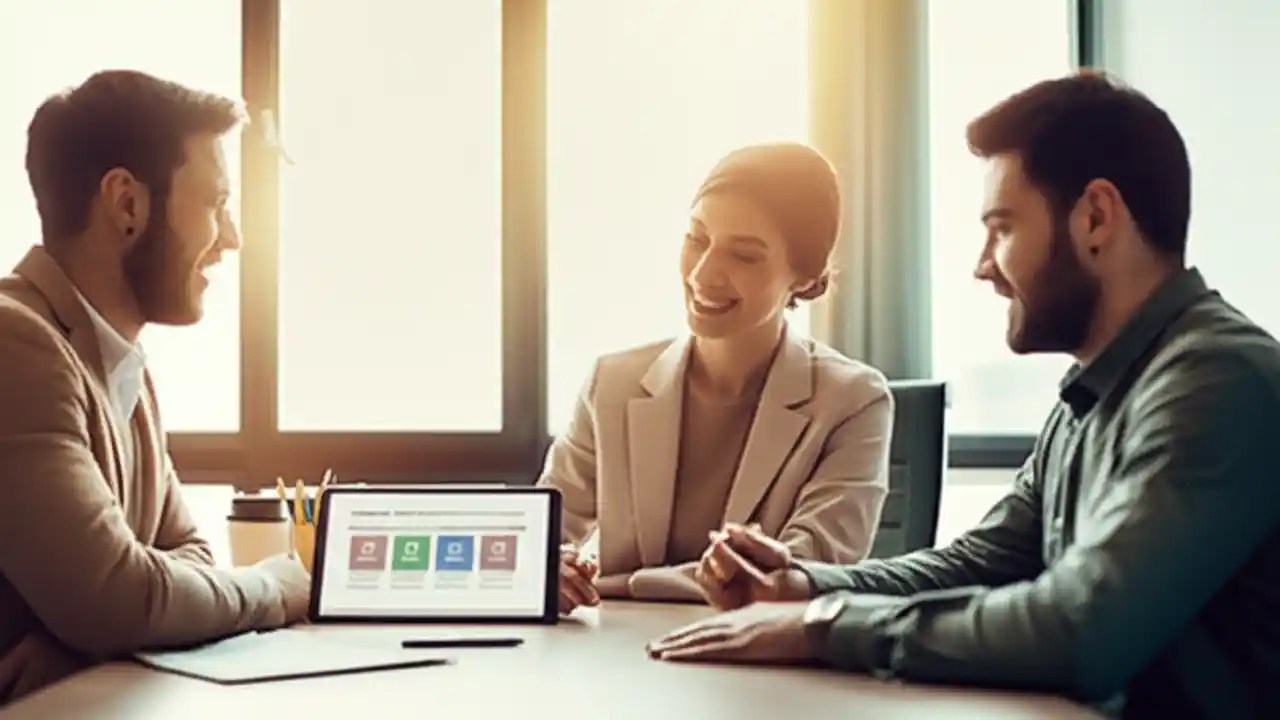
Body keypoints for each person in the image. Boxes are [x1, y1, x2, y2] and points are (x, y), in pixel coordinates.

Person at [647, 71, 1280, 719]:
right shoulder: (1093, 395)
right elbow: (981, 562)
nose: (983, 265)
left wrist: (826, 627)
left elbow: (1080, 629)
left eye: (1002, 228)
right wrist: (804, 585)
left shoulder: (1219, 381)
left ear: (1095, 217)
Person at [0, 70, 310, 704]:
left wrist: (88, 637)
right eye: (216, 202)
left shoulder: (124, 372)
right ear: (127, 204)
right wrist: (271, 588)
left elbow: (184, 558)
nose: (232, 237)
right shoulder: (15, 344)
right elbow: (120, 597)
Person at [540, 143, 894, 613]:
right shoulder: (612, 383)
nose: (704, 274)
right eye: (696, 238)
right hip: (614, 648)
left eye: (743, 255)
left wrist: (616, 583)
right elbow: (535, 542)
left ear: (806, 278)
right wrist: (551, 570)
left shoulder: (854, 401)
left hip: (756, 652)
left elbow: (794, 576)